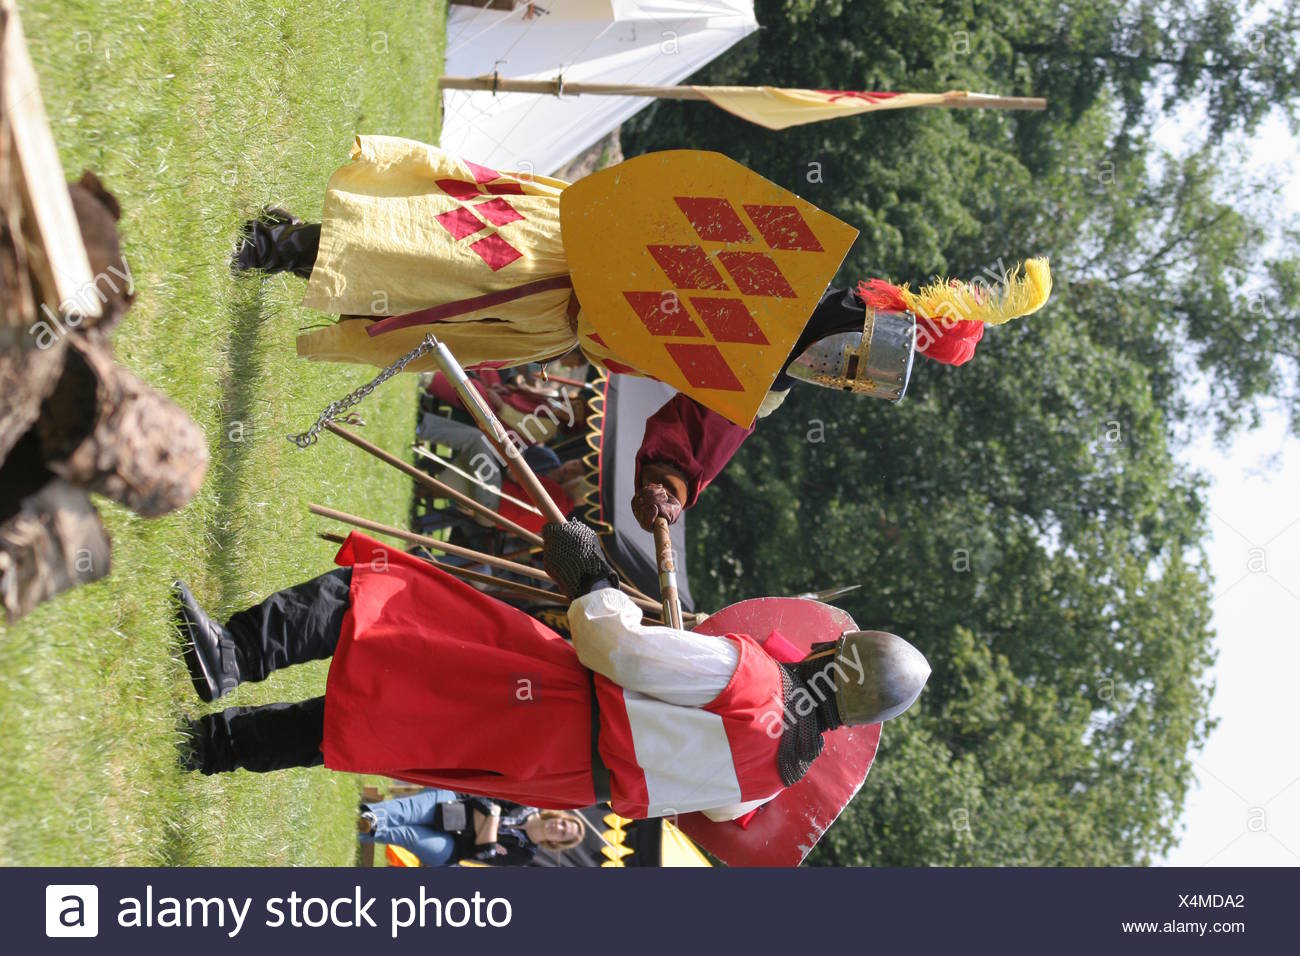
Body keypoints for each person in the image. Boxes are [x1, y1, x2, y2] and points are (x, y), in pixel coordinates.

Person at [234, 137, 1050, 535]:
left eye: (853, 377)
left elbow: (691, 444)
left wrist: (667, 485)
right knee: (434, 247)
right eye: (856, 355)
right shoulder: (780, 260)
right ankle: (283, 243)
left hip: (556, 323)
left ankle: (289, 253)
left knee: (424, 301)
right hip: (570, 248)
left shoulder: (761, 384)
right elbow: (689, 205)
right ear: (870, 315)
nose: (839, 372)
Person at [176, 520, 930, 822]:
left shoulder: (753, 678)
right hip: (557, 773)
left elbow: (618, 651)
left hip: (551, 700)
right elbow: (719, 814)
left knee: (387, 600)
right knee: (382, 727)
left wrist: (591, 575)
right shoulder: (775, 777)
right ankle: (208, 749)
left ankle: (233, 655)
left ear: (836, 653)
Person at [357, 789, 584, 866]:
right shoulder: (525, 803)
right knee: (410, 811)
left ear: (557, 843)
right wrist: (488, 833)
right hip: (454, 804)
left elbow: (481, 853)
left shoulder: (524, 854)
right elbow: (483, 797)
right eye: (565, 823)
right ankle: (367, 822)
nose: (560, 827)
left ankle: (365, 823)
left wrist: (491, 814)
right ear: (560, 816)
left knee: (409, 835)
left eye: (564, 834)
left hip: (453, 848)